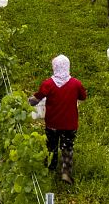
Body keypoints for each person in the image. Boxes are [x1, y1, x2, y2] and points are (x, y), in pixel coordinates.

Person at [28, 54, 87, 184]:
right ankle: (66, 172)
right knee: (67, 147)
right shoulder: (76, 84)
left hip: (52, 123)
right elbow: (83, 97)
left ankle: (51, 167)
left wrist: (27, 102)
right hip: (69, 124)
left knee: (51, 146)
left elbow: (36, 100)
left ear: (54, 67)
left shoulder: (48, 84)